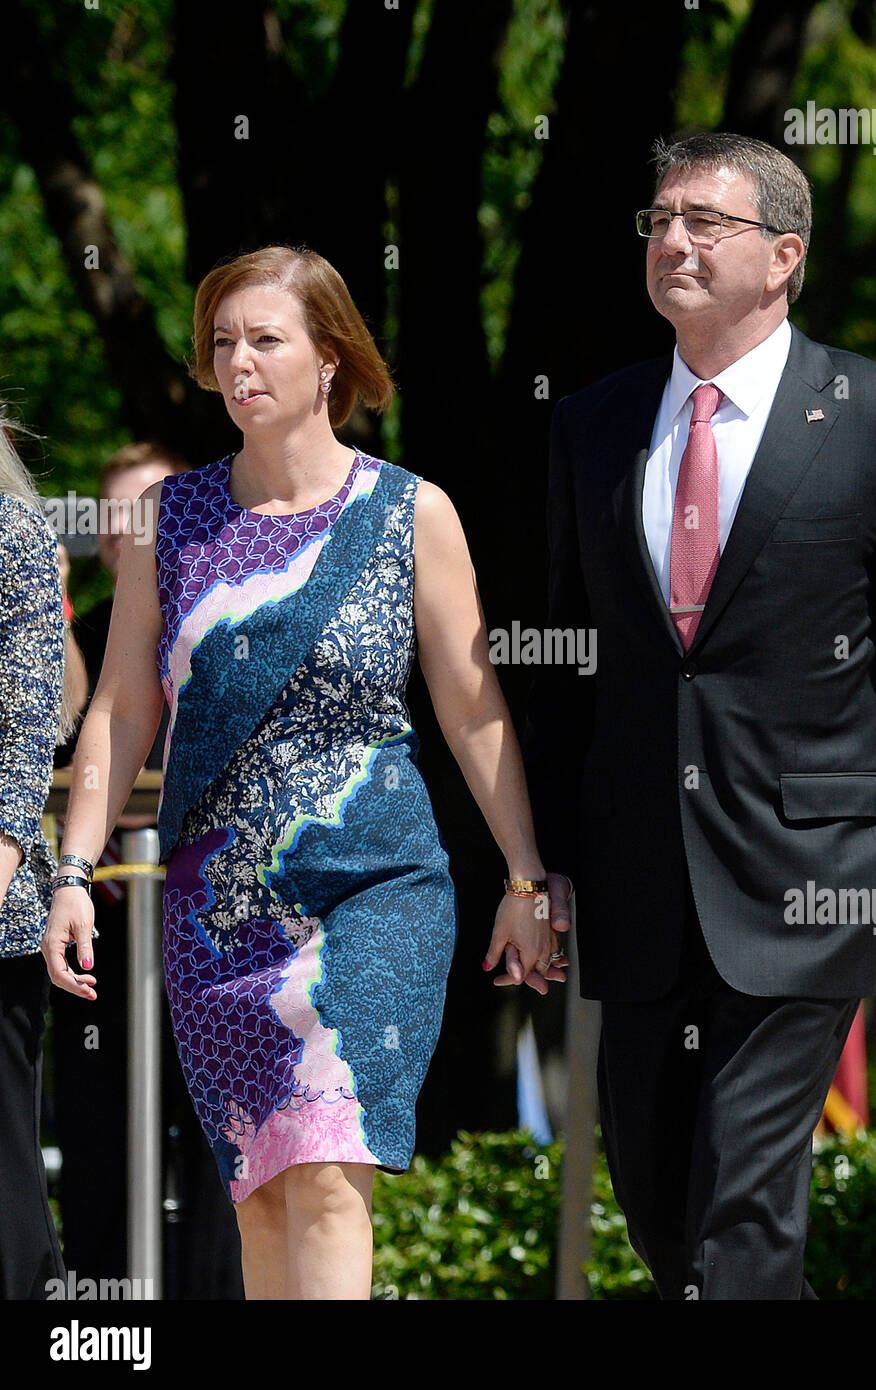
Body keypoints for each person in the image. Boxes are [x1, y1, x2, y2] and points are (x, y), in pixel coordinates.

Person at [522, 131, 876, 1300]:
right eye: (658, 221)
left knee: (740, 1211)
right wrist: (540, 866)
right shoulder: (594, 426)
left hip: (817, 871)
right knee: (669, 1214)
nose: (671, 242)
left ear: (784, 255)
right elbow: (567, 670)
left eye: (704, 222)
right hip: (638, 877)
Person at [42, 244, 565, 1301]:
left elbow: (473, 709)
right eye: (221, 344)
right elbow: (123, 708)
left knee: (328, 1172)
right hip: (216, 910)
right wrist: (70, 869)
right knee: (263, 1192)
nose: (238, 364)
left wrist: (524, 876)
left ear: (331, 358)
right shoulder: (166, 523)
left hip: (378, 895)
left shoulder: (412, 513)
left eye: (265, 340)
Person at [51, 441, 245, 1298]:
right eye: (117, 517)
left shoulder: (240, 619)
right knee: (102, 1139)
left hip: (225, 928)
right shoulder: (73, 641)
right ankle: (107, 1321)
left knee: (226, 1147)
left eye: (151, 511)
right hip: (107, 935)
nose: (135, 533)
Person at [0, 403, 75, 1298]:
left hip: (3, 906)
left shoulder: (12, 527)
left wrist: (9, 845)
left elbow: (27, 718)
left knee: (7, 1174)